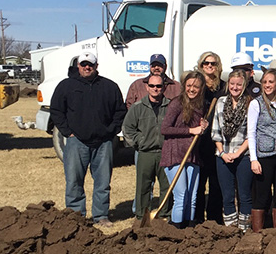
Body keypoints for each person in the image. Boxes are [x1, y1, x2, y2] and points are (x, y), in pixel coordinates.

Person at [49, 52, 126, 227]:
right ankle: (76, 217)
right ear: (78, 66)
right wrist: (68, 132)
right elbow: (57, 111)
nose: (87, 67)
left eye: (90, 64)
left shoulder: (109, 86)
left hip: (103, 143)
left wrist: (111, 132)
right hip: (77, 142)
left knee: (103, 182)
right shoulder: (66, 86)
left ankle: (101, 216)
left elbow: (120, 112)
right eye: (83, 64)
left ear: (96, 66)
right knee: (74, 181)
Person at [159, 71, 209, 228]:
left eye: (196, 86)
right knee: (181, 196)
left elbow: (198, 130)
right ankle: (177, 229)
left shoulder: (201, 106)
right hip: (175, 155)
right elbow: (165, 129)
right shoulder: (177, 103)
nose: (192, 89)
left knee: (192, 197)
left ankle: (190, 230)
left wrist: (203, 128)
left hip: (192, 155)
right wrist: (191, 131)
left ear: (201, 89)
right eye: (189, 85)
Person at [122, 72, 173, 220]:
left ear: (163, 87)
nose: (155, 89)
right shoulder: (138, 108)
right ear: (147, 87)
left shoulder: (171, 106)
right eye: (152, 86)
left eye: (158, 86)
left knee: (166, 186)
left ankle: (164, 215)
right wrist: (140, 141)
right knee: (143, 187)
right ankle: (142, 217)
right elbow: (127, 129)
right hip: (145, 153)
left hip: (165, 153)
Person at [248, 68, 276, 231]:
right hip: (263, 156)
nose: (267, 85)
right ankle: (258, 232)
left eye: (271, 82)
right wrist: (253, 159)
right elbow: (251, 132)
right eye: (264, 82)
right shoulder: (255, 104)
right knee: (262, 196)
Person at [212, 70, 253, 231]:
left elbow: (251, 133)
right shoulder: (220, 102)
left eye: (239, 84)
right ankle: (231, 230)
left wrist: (237, 153)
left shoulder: (250, 103)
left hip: (243, 155)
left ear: (244, 86)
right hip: (223, 155)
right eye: (232, 84)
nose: (235, 87)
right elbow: (215, 132)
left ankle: (244, 230)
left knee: (244, 196)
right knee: (227, 196)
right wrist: (222, 153)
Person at [194, 51, 224, 224]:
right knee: (198, 184)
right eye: (206, 63)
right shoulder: (196, 86)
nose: (209, 66)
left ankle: (214, 220)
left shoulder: (223, 87)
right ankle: (197, 220)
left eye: (213, 63)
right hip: (199, 142)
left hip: (218, 141)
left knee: (216, 184)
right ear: (201, 65)